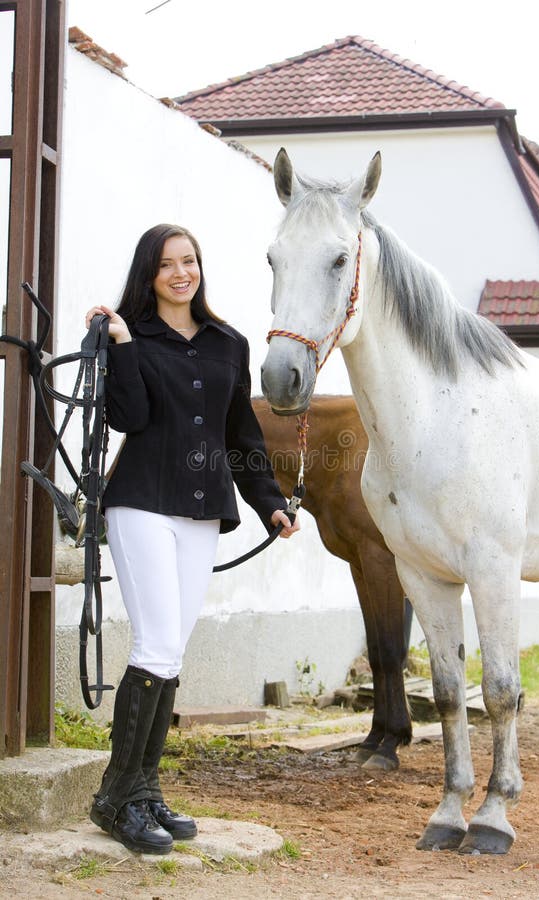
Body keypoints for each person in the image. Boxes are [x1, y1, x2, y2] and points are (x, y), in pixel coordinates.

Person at [85, 223, 299, 855]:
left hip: (202, 511)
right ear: (149, 274)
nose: (181, 273)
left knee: (171, 653)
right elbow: (128, 417)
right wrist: (124, 345)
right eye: (167, 264)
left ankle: (143, 790)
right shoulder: (127, 334)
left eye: (190, 261)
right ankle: (115, 798)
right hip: (141, 504)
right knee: (155, 645)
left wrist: (270, 504)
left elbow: (240, 436)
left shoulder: (228, 343)